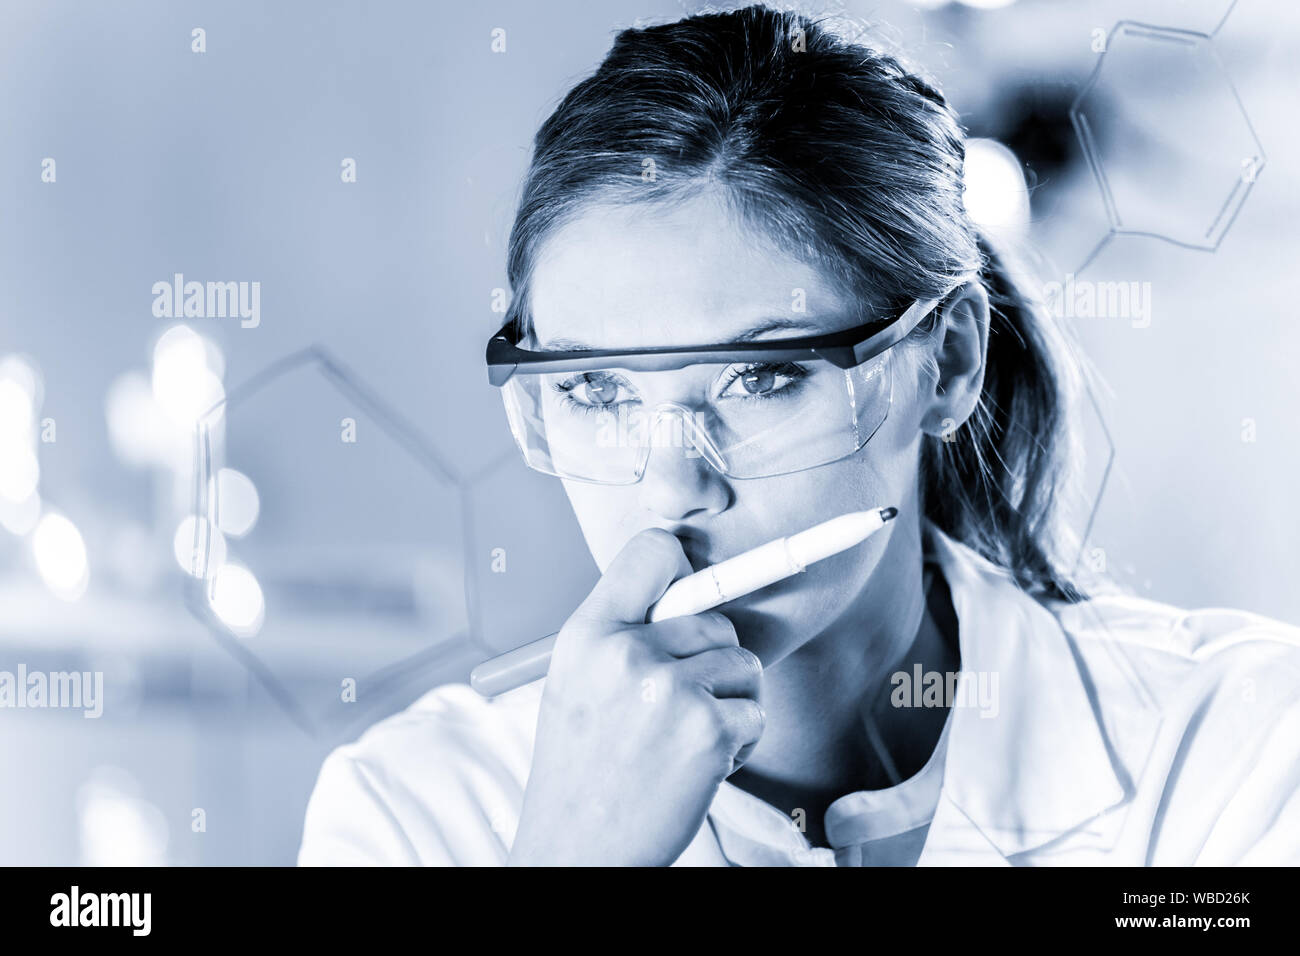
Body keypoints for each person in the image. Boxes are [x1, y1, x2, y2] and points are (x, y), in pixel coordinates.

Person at [298, 4, 1300, 866]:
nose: (673, 487)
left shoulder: (1238, 741)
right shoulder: (415, 812)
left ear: (945, 362)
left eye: (765, 376)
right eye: (597, 390)